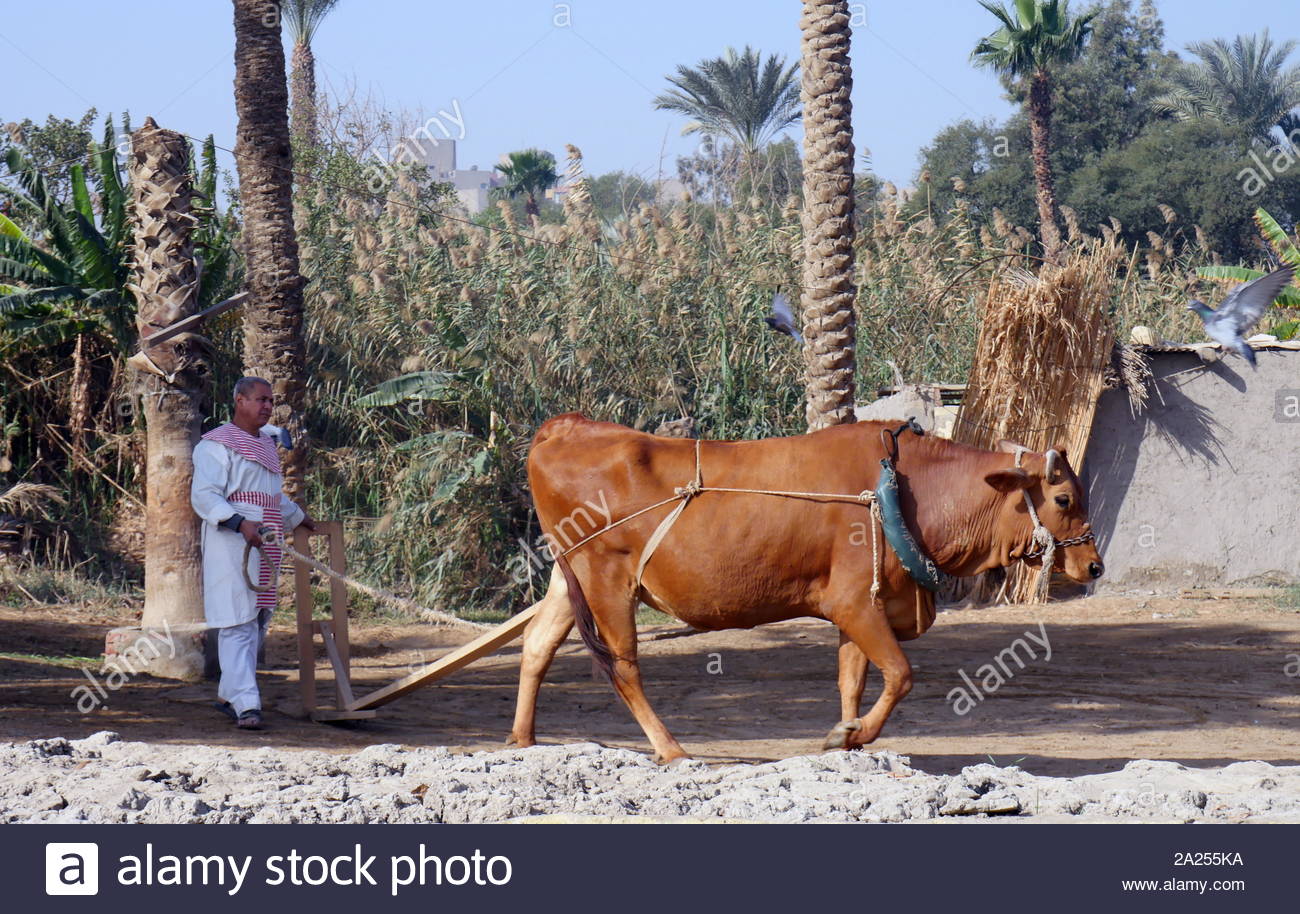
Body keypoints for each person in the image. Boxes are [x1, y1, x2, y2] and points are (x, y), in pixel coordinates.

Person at [190, 377, 315, 729]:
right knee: (237, 620)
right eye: (260, 399)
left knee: (258, 619)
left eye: (270, 401)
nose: (267, 406)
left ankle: (230, 695)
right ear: (239, 400)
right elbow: (205, 496)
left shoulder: (265, 446)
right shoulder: (215, 445)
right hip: (232, 544)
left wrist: (300, 518)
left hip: (268, 539)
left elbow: (271, 497)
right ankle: (247, 703)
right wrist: (237, 523)